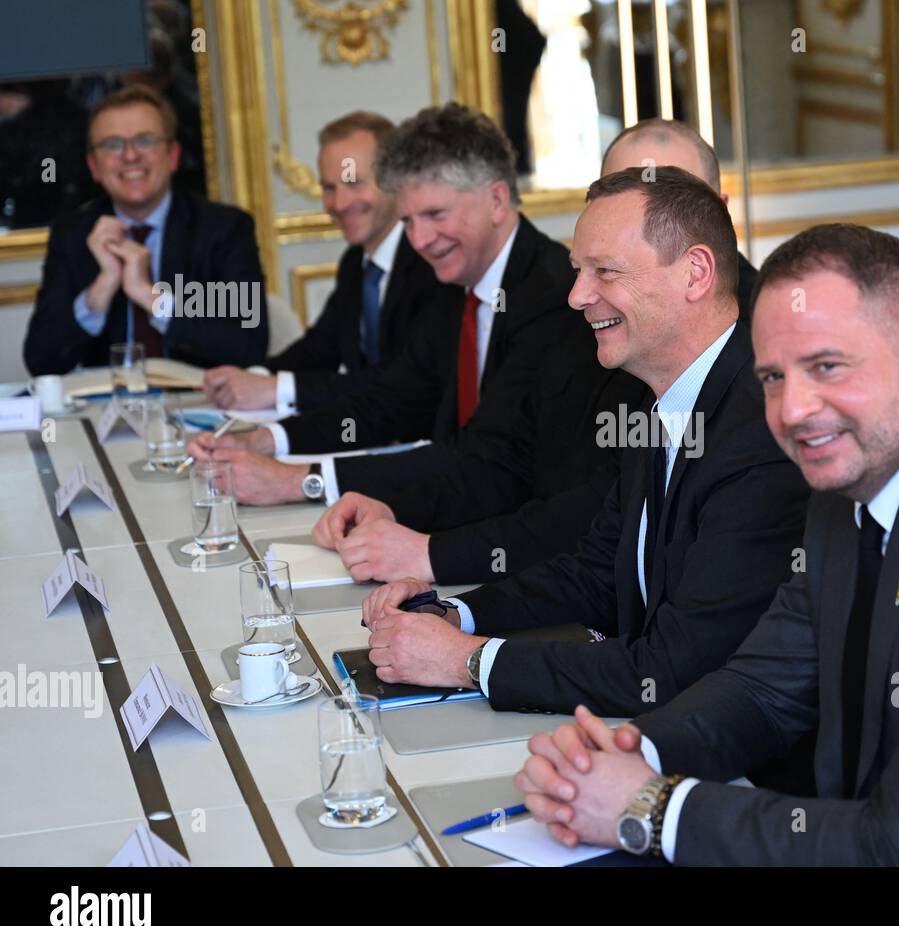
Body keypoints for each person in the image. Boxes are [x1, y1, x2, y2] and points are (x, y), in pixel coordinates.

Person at [513, 224, 899, 864]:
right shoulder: (858, 454)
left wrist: (649, 807)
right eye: (773, 378)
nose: (794, 410)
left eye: (826, 367)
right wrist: (628, 754)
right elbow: (767, 685)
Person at [357, 167, 810, 718]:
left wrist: (469, 661)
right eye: (577, 271)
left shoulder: (763, 433)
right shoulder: (659, 395)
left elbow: (673, 671)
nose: (576, 296)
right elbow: (597, 572)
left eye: (605, 272)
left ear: (695, 273)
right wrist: (455, 615)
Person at [310, 118, 756, 585]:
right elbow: (507, 459)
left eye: (672, 195)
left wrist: (433, 560)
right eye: (618, 193)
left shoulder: (757, 357)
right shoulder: (586, 311)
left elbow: (594, 520)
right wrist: (447, 599)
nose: (639, 214)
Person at [186, 102, 574, 505]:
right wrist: (266, 441)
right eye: (408, 221)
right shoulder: (458, 281)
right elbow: (391, 399)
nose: (420, 240)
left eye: (435, 214)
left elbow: (488, 464)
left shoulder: (550, 295)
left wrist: (299, 481)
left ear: (496, 199)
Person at [202, 111, 442, 413]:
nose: (339, 204)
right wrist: (252, 377)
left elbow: (400, 381)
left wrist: (277, 389)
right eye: (329, 188)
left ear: (395, 180)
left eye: (353, 183)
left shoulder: (432, 261)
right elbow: (319, 349)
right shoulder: (356, 262)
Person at [25, 84, 267, 374]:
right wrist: (102, 286)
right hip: (108, 408)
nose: (130, 156)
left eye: (145, 141)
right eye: (113, 144)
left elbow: (248, 346)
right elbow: (42, 362)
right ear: (94, 167)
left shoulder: (224, 229)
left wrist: (150, 297)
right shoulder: (73, 235)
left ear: (173, 155)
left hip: (204, 406)